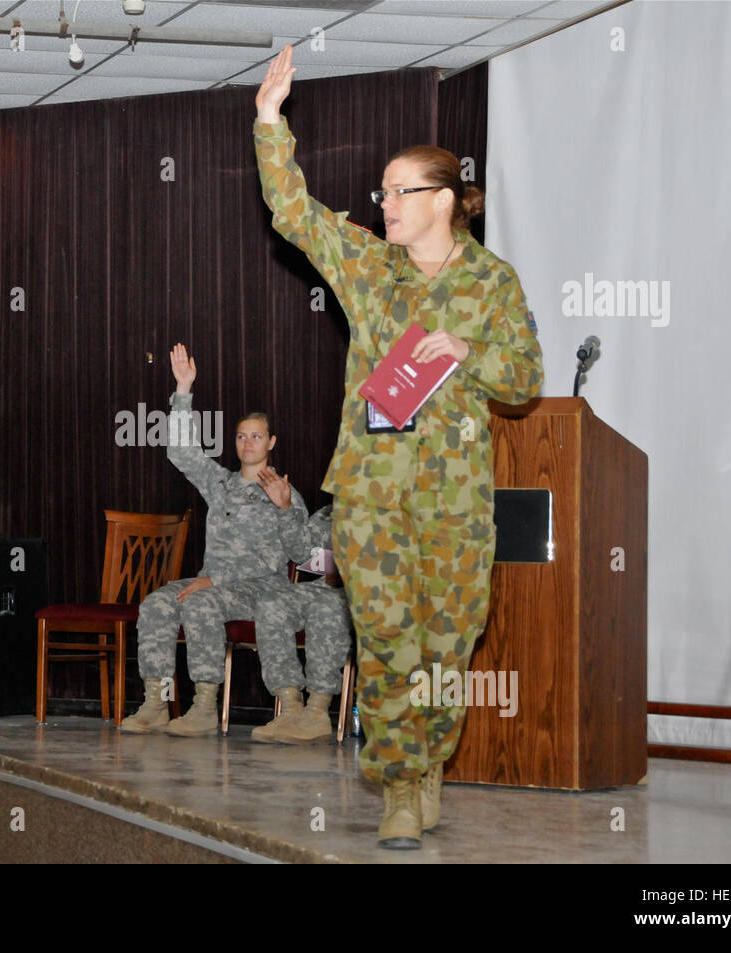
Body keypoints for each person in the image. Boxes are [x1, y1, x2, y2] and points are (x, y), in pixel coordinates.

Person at [252, 46, 544, 848]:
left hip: (455, 507)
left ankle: (427, 764)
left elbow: (524, 377)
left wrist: (463, 352)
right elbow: (296, 214)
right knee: (384, 645)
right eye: (381, 192)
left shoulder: (493, 284)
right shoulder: (369, 270)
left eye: (398, 192)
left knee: (446, 646)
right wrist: (270, 123)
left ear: (445, 200)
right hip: (373, 496)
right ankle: (399, 786)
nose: (383, 203)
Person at [120, 343, 310, 737]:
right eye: (242, 436)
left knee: (202, 601)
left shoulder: (282, 491)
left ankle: (204, 708)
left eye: (257, 436)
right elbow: (180, 451)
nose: (248, 443)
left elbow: (301, 553)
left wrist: (287, 509)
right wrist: (184, 392)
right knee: (156, 604)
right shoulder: (220, 484)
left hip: (261, 590)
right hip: (213, 582)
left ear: (272, 443)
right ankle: (156, 703)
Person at [250, 504, 353, 745]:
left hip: (377, 590)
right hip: (329, 584)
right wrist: (285, 509)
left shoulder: (396, 507)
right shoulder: (333, 511)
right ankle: (290, 707)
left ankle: (318, 710)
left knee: (327, 605)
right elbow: (302, 553)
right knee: (272, 602)